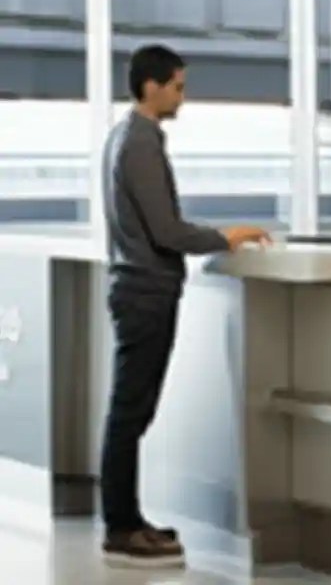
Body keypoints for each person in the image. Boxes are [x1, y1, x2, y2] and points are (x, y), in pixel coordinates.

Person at [100, 45, 270, 568]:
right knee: (130, 413)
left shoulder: (125, 136)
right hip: (145, 293)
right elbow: (167, 230)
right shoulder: (140, 143)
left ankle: (128, 520)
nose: (182, 97)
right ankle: (122, 528)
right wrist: (225, 237)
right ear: (151, 86)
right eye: (177, 86)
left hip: (137, 289)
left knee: (131, 412)